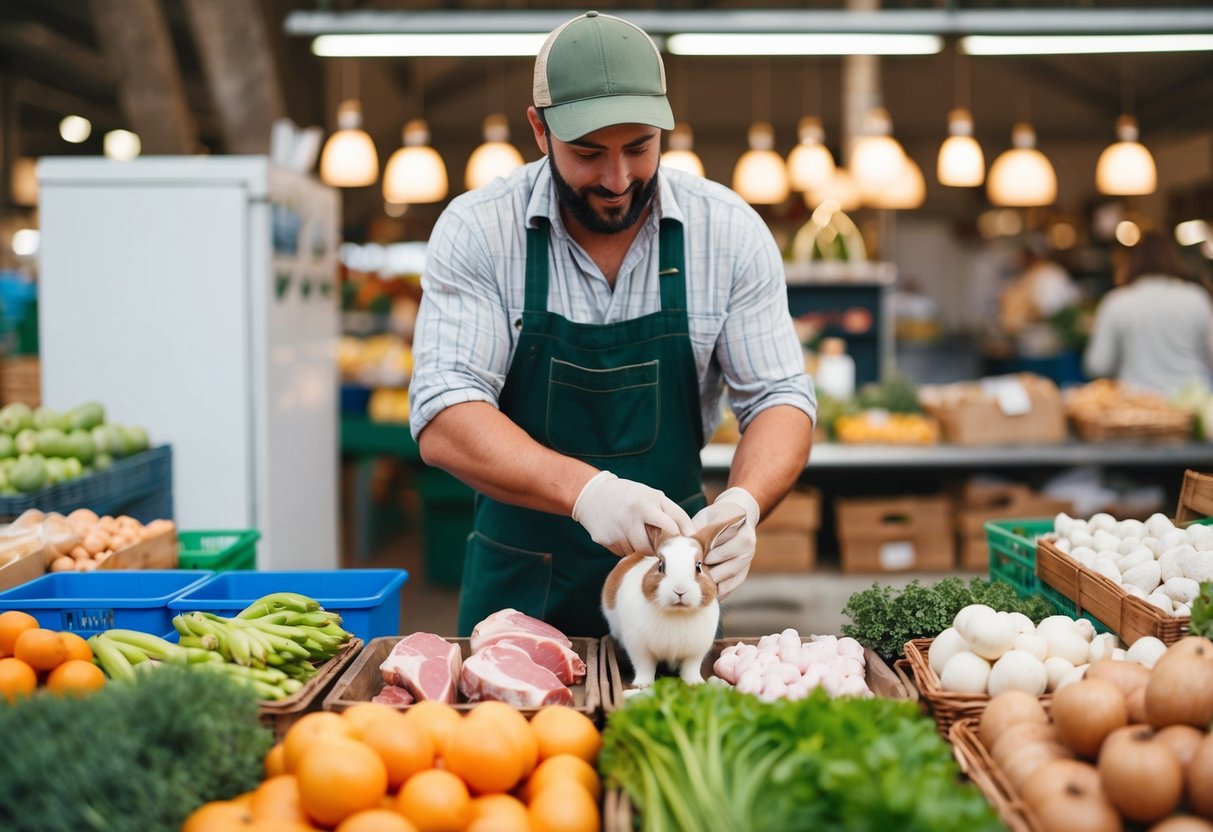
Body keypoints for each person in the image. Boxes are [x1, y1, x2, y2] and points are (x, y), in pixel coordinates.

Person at [408, 11, 816, 637]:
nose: (618, 180)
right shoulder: (478, 230)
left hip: (669, 585)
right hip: (516, 591)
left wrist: (745, 503)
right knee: (501, 735)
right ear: (539, 130)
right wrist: (587, 493)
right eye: (588, 153)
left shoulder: (727, 231)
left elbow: (779, 397)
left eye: (639, 147)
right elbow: (443, 412)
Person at [1084, 231, 1213, 397]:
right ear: (1174, 258)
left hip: (1137, 409)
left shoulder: (1117, 302)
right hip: (1194, 407)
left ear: (1132, 261)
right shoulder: (1196, 297)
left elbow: (1097, 365)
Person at [999, 233, 1081, 338]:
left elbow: (1053, 311)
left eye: (1024, 255)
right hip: (1031, 338)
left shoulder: (1052, 275)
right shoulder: (1029, 275)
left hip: (1050, 339)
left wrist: (1029, 314)